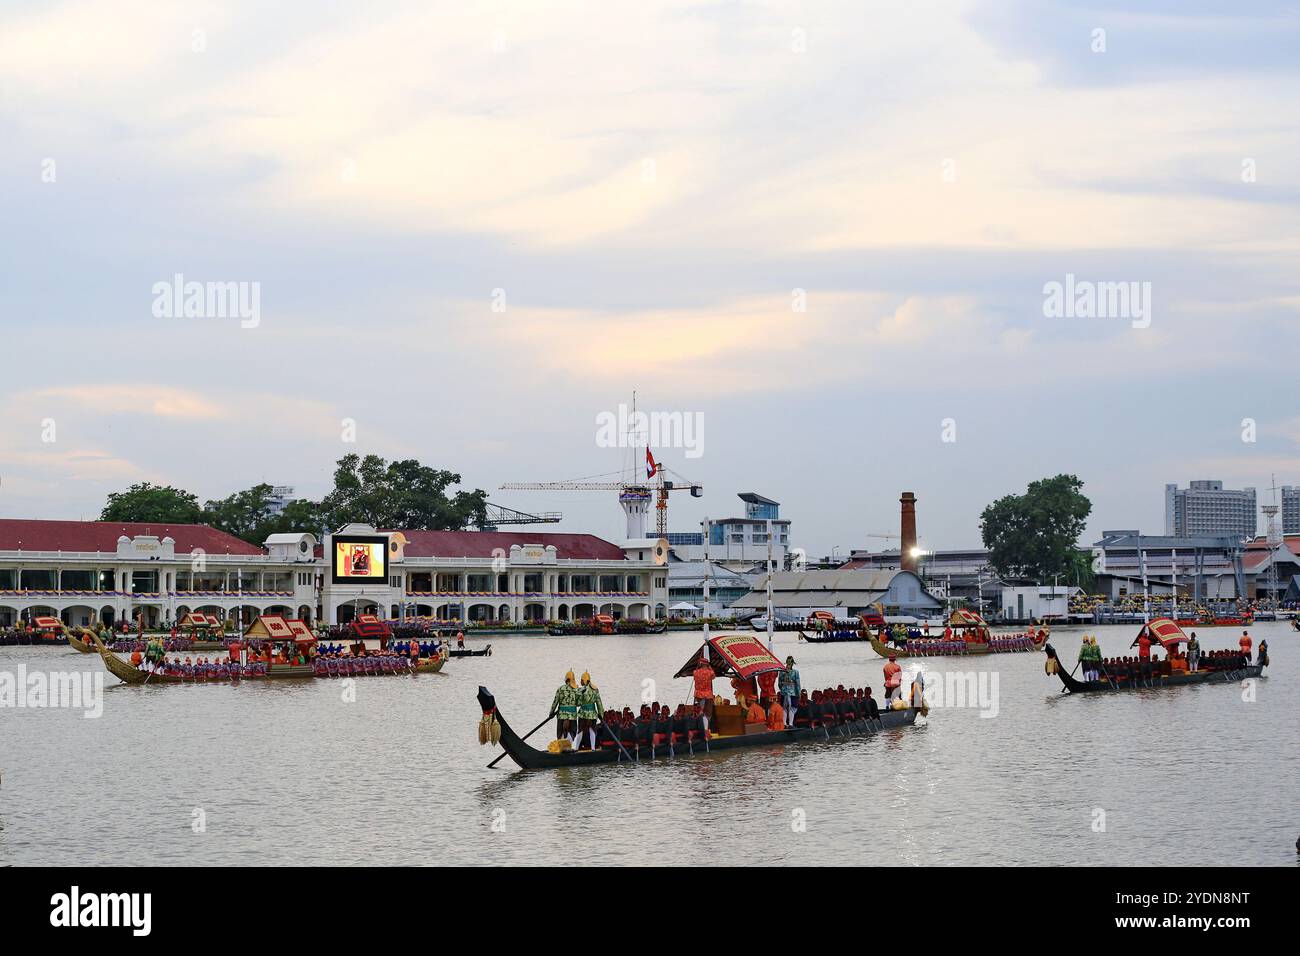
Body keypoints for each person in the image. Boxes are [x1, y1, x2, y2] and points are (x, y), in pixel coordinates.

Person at [575, 671, 604, 751]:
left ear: (584, 680)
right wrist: (601, 714)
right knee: (592, 729)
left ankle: (576, 748)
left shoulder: (581, 690)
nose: (580, 681)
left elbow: (578, 703)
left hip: (583, 714)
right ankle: (593, 748)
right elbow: (599, 703)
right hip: (592, 714)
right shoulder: (595, 689)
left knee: (580, 730)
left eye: (581, 680)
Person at [551, 671, 579, 746]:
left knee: (560, 733)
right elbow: (579, 703)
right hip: (572, 716)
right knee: (573, 731)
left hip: (561, 715)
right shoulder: (576, 689)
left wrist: (551, 713)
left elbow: (555, 702)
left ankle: (561, 746)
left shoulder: (560, 689)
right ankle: (568, 745)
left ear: (566, 679)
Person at [692, 657, 716, 729]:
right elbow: (713, 676)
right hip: (708, 695)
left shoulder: (695, 672)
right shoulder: (710, 672)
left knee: (698, 712)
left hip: (698, 695)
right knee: (708, 714)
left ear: (700, 664)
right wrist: (710, 668)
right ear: (707, 664)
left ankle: (698, 728)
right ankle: (706, 729)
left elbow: (694, 678)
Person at [778, 656, 801, 728]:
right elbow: (797, 684)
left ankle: (784, 724)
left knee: (784, 708)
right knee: (793, 708)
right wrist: (799, 693)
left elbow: (779, 683)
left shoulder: (781, 672)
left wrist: (782, 689)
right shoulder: (795, 672)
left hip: (784, 692)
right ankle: (790, 724)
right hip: (793, 693)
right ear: (792, 663)